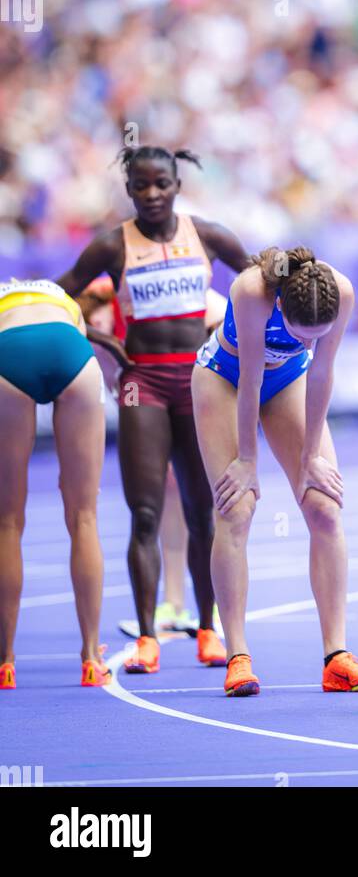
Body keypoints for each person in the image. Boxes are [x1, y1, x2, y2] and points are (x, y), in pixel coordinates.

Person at [57, 145, 251, 674]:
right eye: (140, 186)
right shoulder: (110, 246)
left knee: (202, 512)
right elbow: (58, 297)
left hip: (200, 382)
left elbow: (258, 280)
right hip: (142, 381)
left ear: (177, 186)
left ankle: (210, 629)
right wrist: (100, 336)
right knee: (144, 513)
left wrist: (233, 334)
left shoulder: (207, 236)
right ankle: (148, 638)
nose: (151, 194)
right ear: (128, 191)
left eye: (161, 184)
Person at [192, 245, 358, 697]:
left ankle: (336, 657)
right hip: (225, 377)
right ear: (281, 305)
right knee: (236, 508)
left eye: (313, 337)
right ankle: (237, 655)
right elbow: (250, 380)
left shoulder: (341, 291)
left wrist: (310, 457)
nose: (307, 343)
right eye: (300, 334)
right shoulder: (250, 291)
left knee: (324, 506)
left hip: (288, 381)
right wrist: (247, 460)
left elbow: (321, 373)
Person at [0, 278, 110, 689]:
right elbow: (107, 359)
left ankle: (5, 662)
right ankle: (90, 658)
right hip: (72, 353)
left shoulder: (10, 297)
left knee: (8, 521)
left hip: (8, 353)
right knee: (84, 516)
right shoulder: (66, 305)